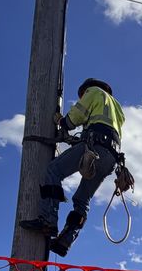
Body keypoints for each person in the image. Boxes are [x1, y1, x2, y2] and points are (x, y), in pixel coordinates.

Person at [20, 78, 128, 257]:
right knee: (82, 199)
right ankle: (65, 241)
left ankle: (48, 219)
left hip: (94, 145)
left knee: (54, 171)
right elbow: (105, 128)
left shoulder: (93, 92)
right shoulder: (118, 108)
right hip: (111, 156)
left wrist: (63, 122)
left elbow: (76, 116)